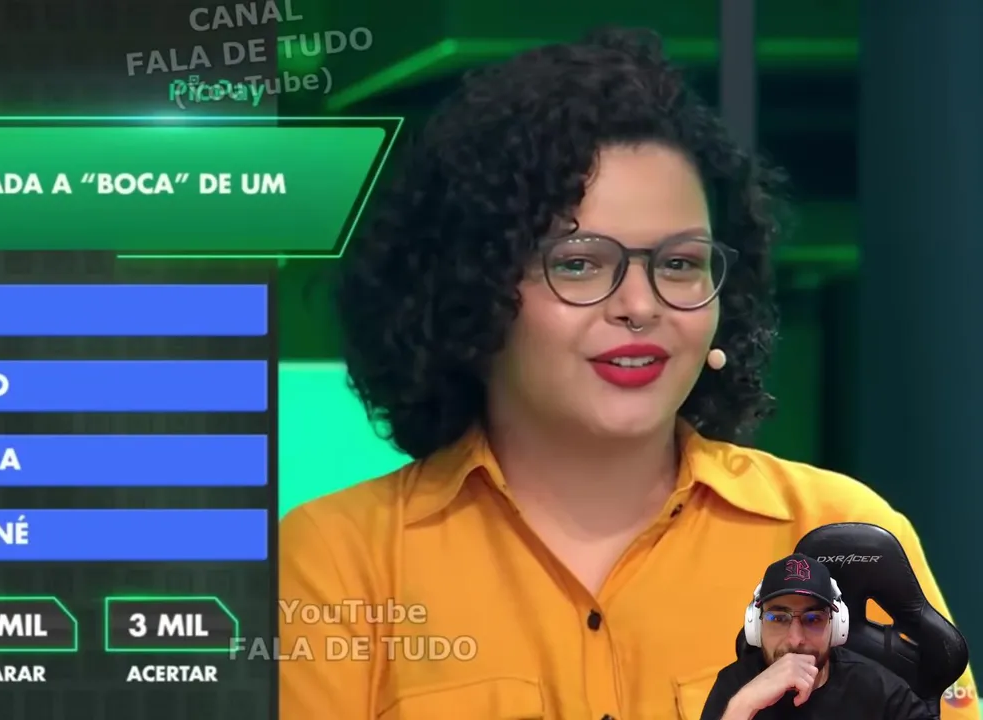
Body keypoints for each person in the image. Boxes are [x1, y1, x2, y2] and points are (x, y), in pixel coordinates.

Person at [279, 28, 976, 719]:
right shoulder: (338, 560)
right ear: (471, 291)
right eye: (580, 262)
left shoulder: (839, 534)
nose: (641, 306)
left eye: (679, 263)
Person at [700, 554, 935, 719]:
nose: (795, 640)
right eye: (778, 619)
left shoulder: (881, 691)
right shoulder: (735, 685)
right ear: (756, 625)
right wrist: (745, 704)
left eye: (813, 619)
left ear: (837, 626)